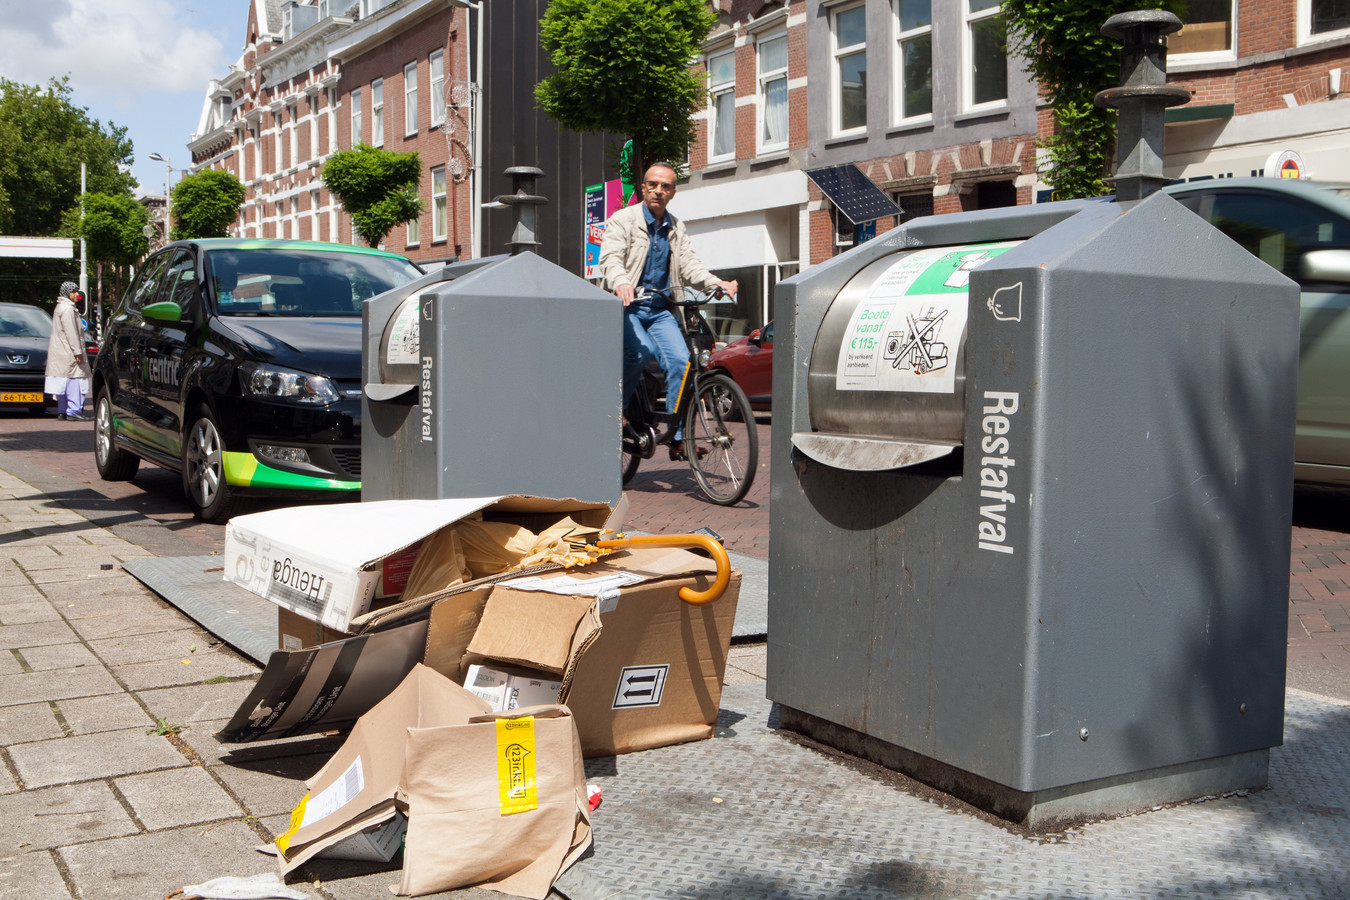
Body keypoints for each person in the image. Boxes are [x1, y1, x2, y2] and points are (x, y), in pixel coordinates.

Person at [598, 162, 738, 459]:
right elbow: (610, 257)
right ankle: (614, 412)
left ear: (673, 192)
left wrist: (717, 282)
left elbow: (689, 265)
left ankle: (676, 437)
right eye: (653, 184)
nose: (658, 191)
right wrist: (621, 282)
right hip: (629, 307)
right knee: (641, 352)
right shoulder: (622, 220)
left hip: (661, 310)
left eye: (666, 186)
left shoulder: (676, 227)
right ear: (643, 187)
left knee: (682, 362)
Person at [45, 282, 92, 422]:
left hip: (61, 352)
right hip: (69, 352)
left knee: (62, 381)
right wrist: (78, 352)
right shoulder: (68, 309)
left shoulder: (60, 307)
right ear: (67, 293)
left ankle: (62, 411)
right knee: (75, 381)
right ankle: (74, 411)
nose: (77, 294)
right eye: (74, 292)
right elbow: (72, 332)